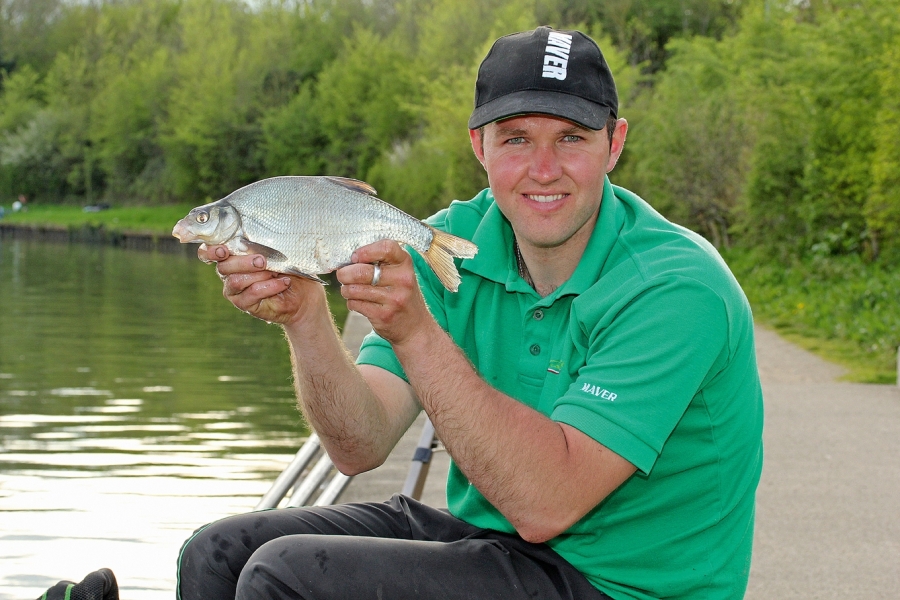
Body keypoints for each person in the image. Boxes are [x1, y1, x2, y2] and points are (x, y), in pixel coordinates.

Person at [175, 26, 764, 600]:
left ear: (615, 144)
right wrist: (303, 316)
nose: (543, 168)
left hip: (625, 586)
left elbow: (545, 504)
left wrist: (417, 335)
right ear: (478, 144)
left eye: (571, 137)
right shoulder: (451, 238)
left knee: (288, 574)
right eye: (515, 138)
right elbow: (360, 445)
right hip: (496, 544)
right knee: (214, 554)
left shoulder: (675, 288)